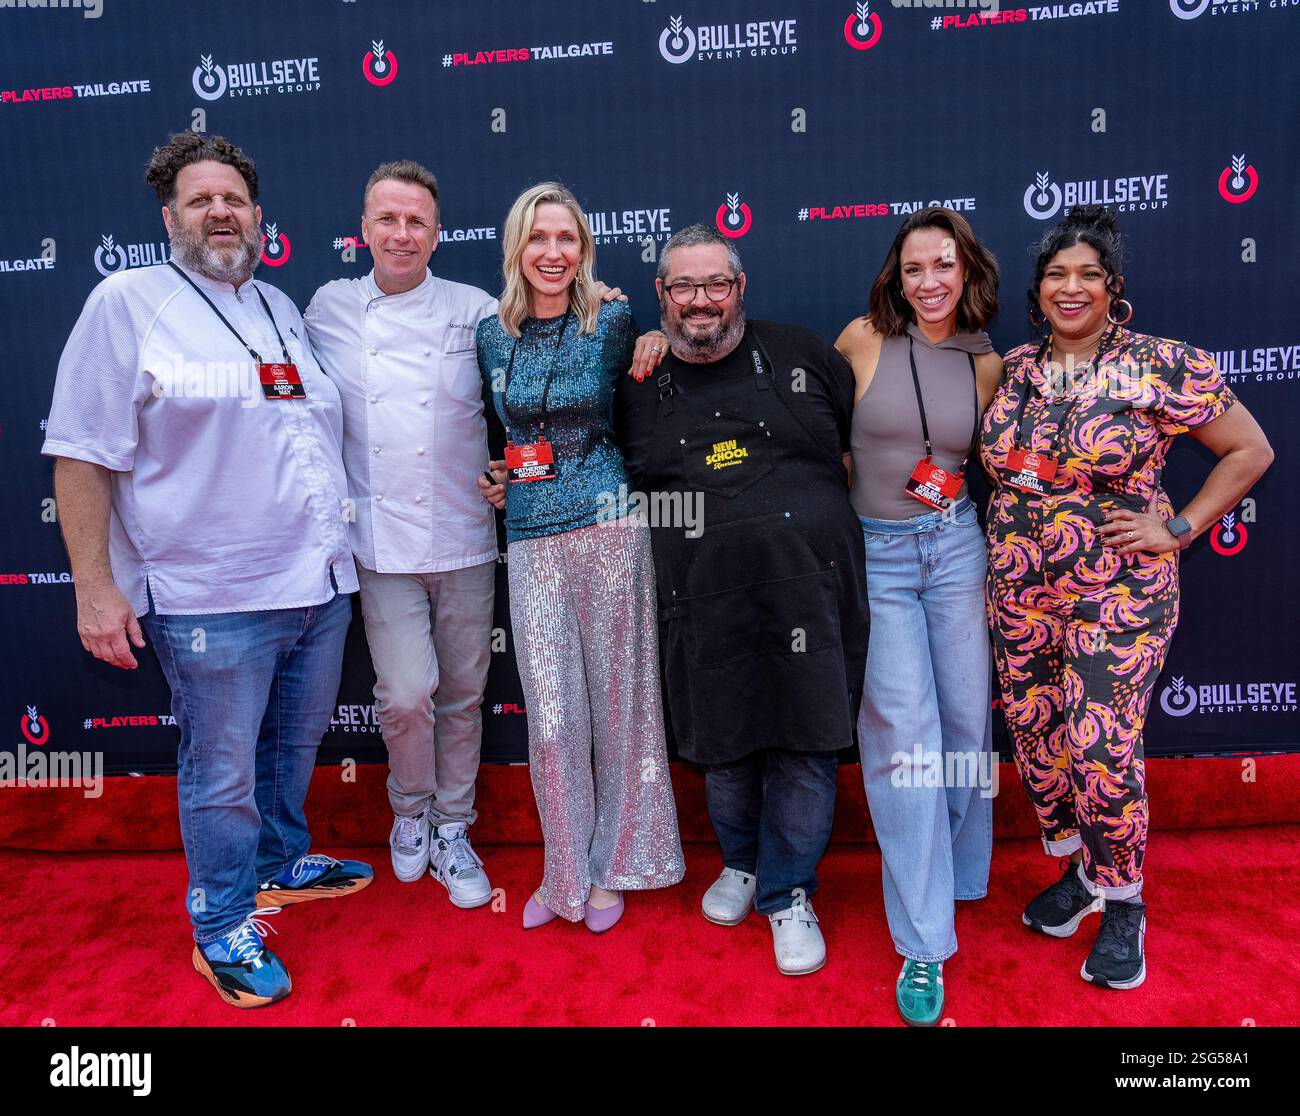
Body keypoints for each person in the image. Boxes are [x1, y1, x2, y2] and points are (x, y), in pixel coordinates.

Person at [42, 133, 372, 1009]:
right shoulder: (127, 301)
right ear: (169, 217)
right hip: (211, 599)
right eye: (200, 200)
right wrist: (95, 588)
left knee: (291, 750)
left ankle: (279, 861)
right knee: (221, 773)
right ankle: (223, 919)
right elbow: (79, 453)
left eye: (234, 199)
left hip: (318, 585)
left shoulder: (278, 305)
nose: (220, 212)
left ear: (259, 215)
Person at [982, 204, 1273, 990]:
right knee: (1041, 742)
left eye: (1088, 276)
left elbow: (1251, 449)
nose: (1070, 288)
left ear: (1114, 290)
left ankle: (1124, 905)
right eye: (1055, 275)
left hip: (1118, 594)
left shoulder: (1161, 364)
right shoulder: (1014, 368)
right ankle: (1081, 876)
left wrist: (1177, 525)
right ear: (1038, 289)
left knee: (1101, 746)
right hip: (1018, 593)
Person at [617, 224, 870, 976]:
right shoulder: (636, 385)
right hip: (703, 601)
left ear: (740, 288)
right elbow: (621, 490)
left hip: (808, 595)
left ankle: (789, 892)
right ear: (660, 295)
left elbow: (861, 454)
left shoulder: (805, 358)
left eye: (715, 285)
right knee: (723, 748)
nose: (702, 302)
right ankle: (743, 864)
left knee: (803, 744)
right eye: (683, 287)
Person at [476, 182, 684, 932]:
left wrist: (657, 338)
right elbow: (500, 433)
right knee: (555, 719)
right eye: (539, 238)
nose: (553, 253)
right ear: (517, 247)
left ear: (584, 247)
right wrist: (500, 479)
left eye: (566, 239)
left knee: (622, 710)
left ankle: (616, 866)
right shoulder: (490, 332)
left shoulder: (616, 318)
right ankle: (563, 872)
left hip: (610, 527)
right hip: (530, 537)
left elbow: (657, 392)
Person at [305, 161, 499, 908]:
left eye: (416, 221)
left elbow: (540, 365)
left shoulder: (475, 309)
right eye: (388, 219)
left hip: (465, 534)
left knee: (465, 694)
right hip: (380, 541)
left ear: (438, 234)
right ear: (364, 230)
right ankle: (408, 809)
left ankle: (454, 825)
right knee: (408, 694)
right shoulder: (327, 308)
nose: (402, 233)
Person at [834, 207, 1002, 1024]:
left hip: (956, 545)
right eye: (914, 269)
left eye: (944, 266)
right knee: (905, 737)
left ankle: (960, 873)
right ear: (894, 278)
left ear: (966, 270)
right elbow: (819, 438)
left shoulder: (987, 364)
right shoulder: (863, 338)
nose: (929, 283)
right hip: (880, 557)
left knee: (967, 728)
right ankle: (924, 941)